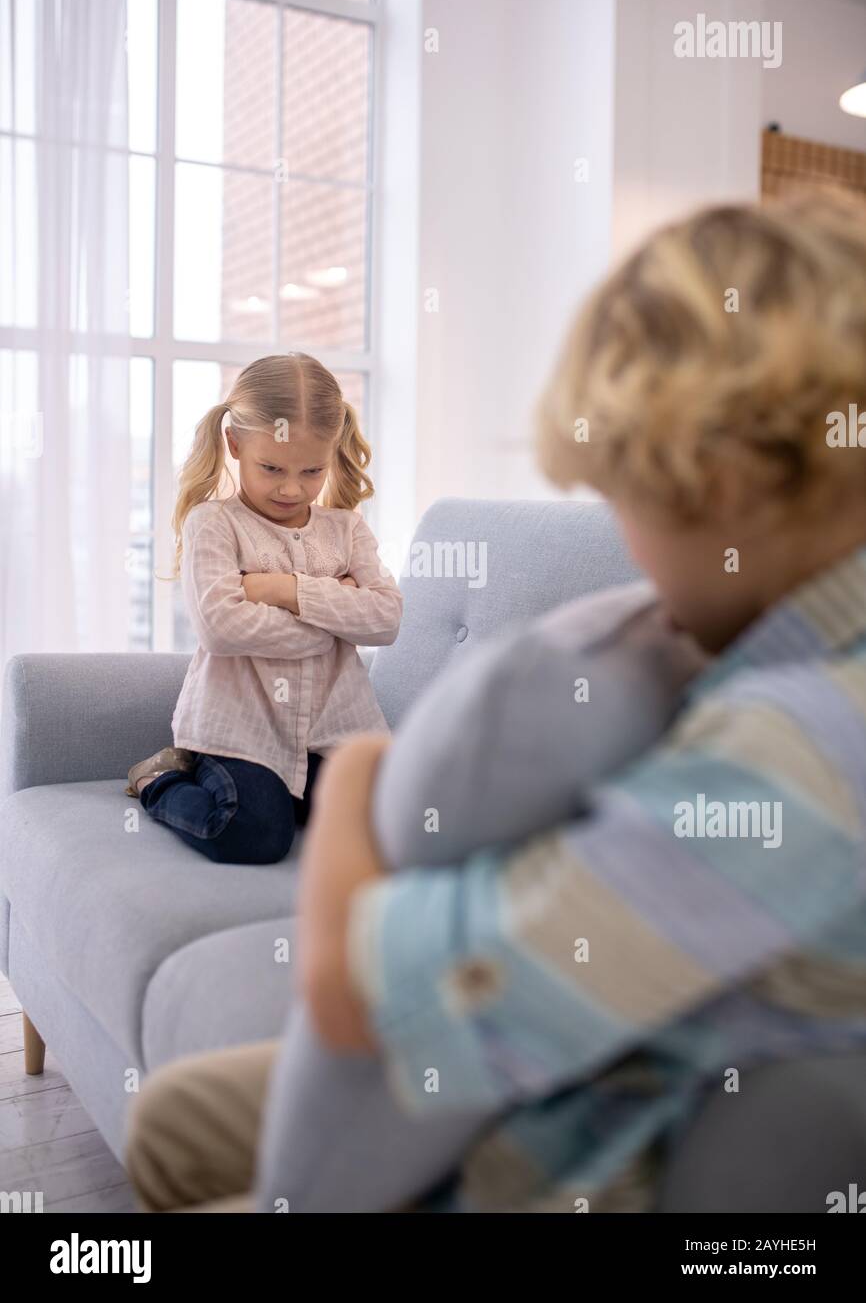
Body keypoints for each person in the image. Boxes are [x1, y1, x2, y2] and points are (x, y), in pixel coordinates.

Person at [127, 190, 866, 1211]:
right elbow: (252, 623)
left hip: (581, 1135)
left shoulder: (795, 751)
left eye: (621, 497)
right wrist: (327, 616)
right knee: (173, 1118)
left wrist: (363, 784)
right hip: (598, 1050)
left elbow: (360, 992)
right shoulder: (772, 659)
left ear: (719, 485)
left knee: (186, 1143)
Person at [124, 353, 403, 864]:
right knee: (255, 834)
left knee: (389, 827)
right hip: (241, 729)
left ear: (332, 454)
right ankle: (161, 778)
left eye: (311, 470)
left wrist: (281, 589)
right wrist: (333, 621)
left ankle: (294, 797)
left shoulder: (347, 530)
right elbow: (222, 628)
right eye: (271, 467)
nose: (291, 488)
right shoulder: (213, 524)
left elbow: (386, 619)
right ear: (234, 444)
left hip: (333, 729)